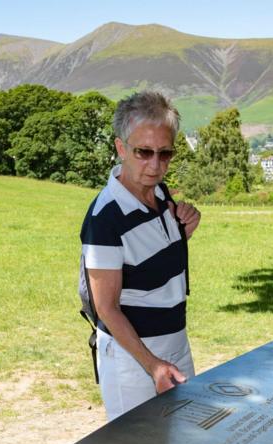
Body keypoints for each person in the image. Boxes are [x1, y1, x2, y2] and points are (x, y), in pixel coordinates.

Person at [80, 91, 201, 421]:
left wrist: (183, 229)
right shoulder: (105, 219)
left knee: (180, 443)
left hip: (176, 339)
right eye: (143, 152)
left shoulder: (160, 193)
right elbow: (106, 307)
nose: (155, 165)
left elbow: (153, 258)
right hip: (132, 357)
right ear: (121, 148)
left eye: (165, 154)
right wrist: (153, 365)